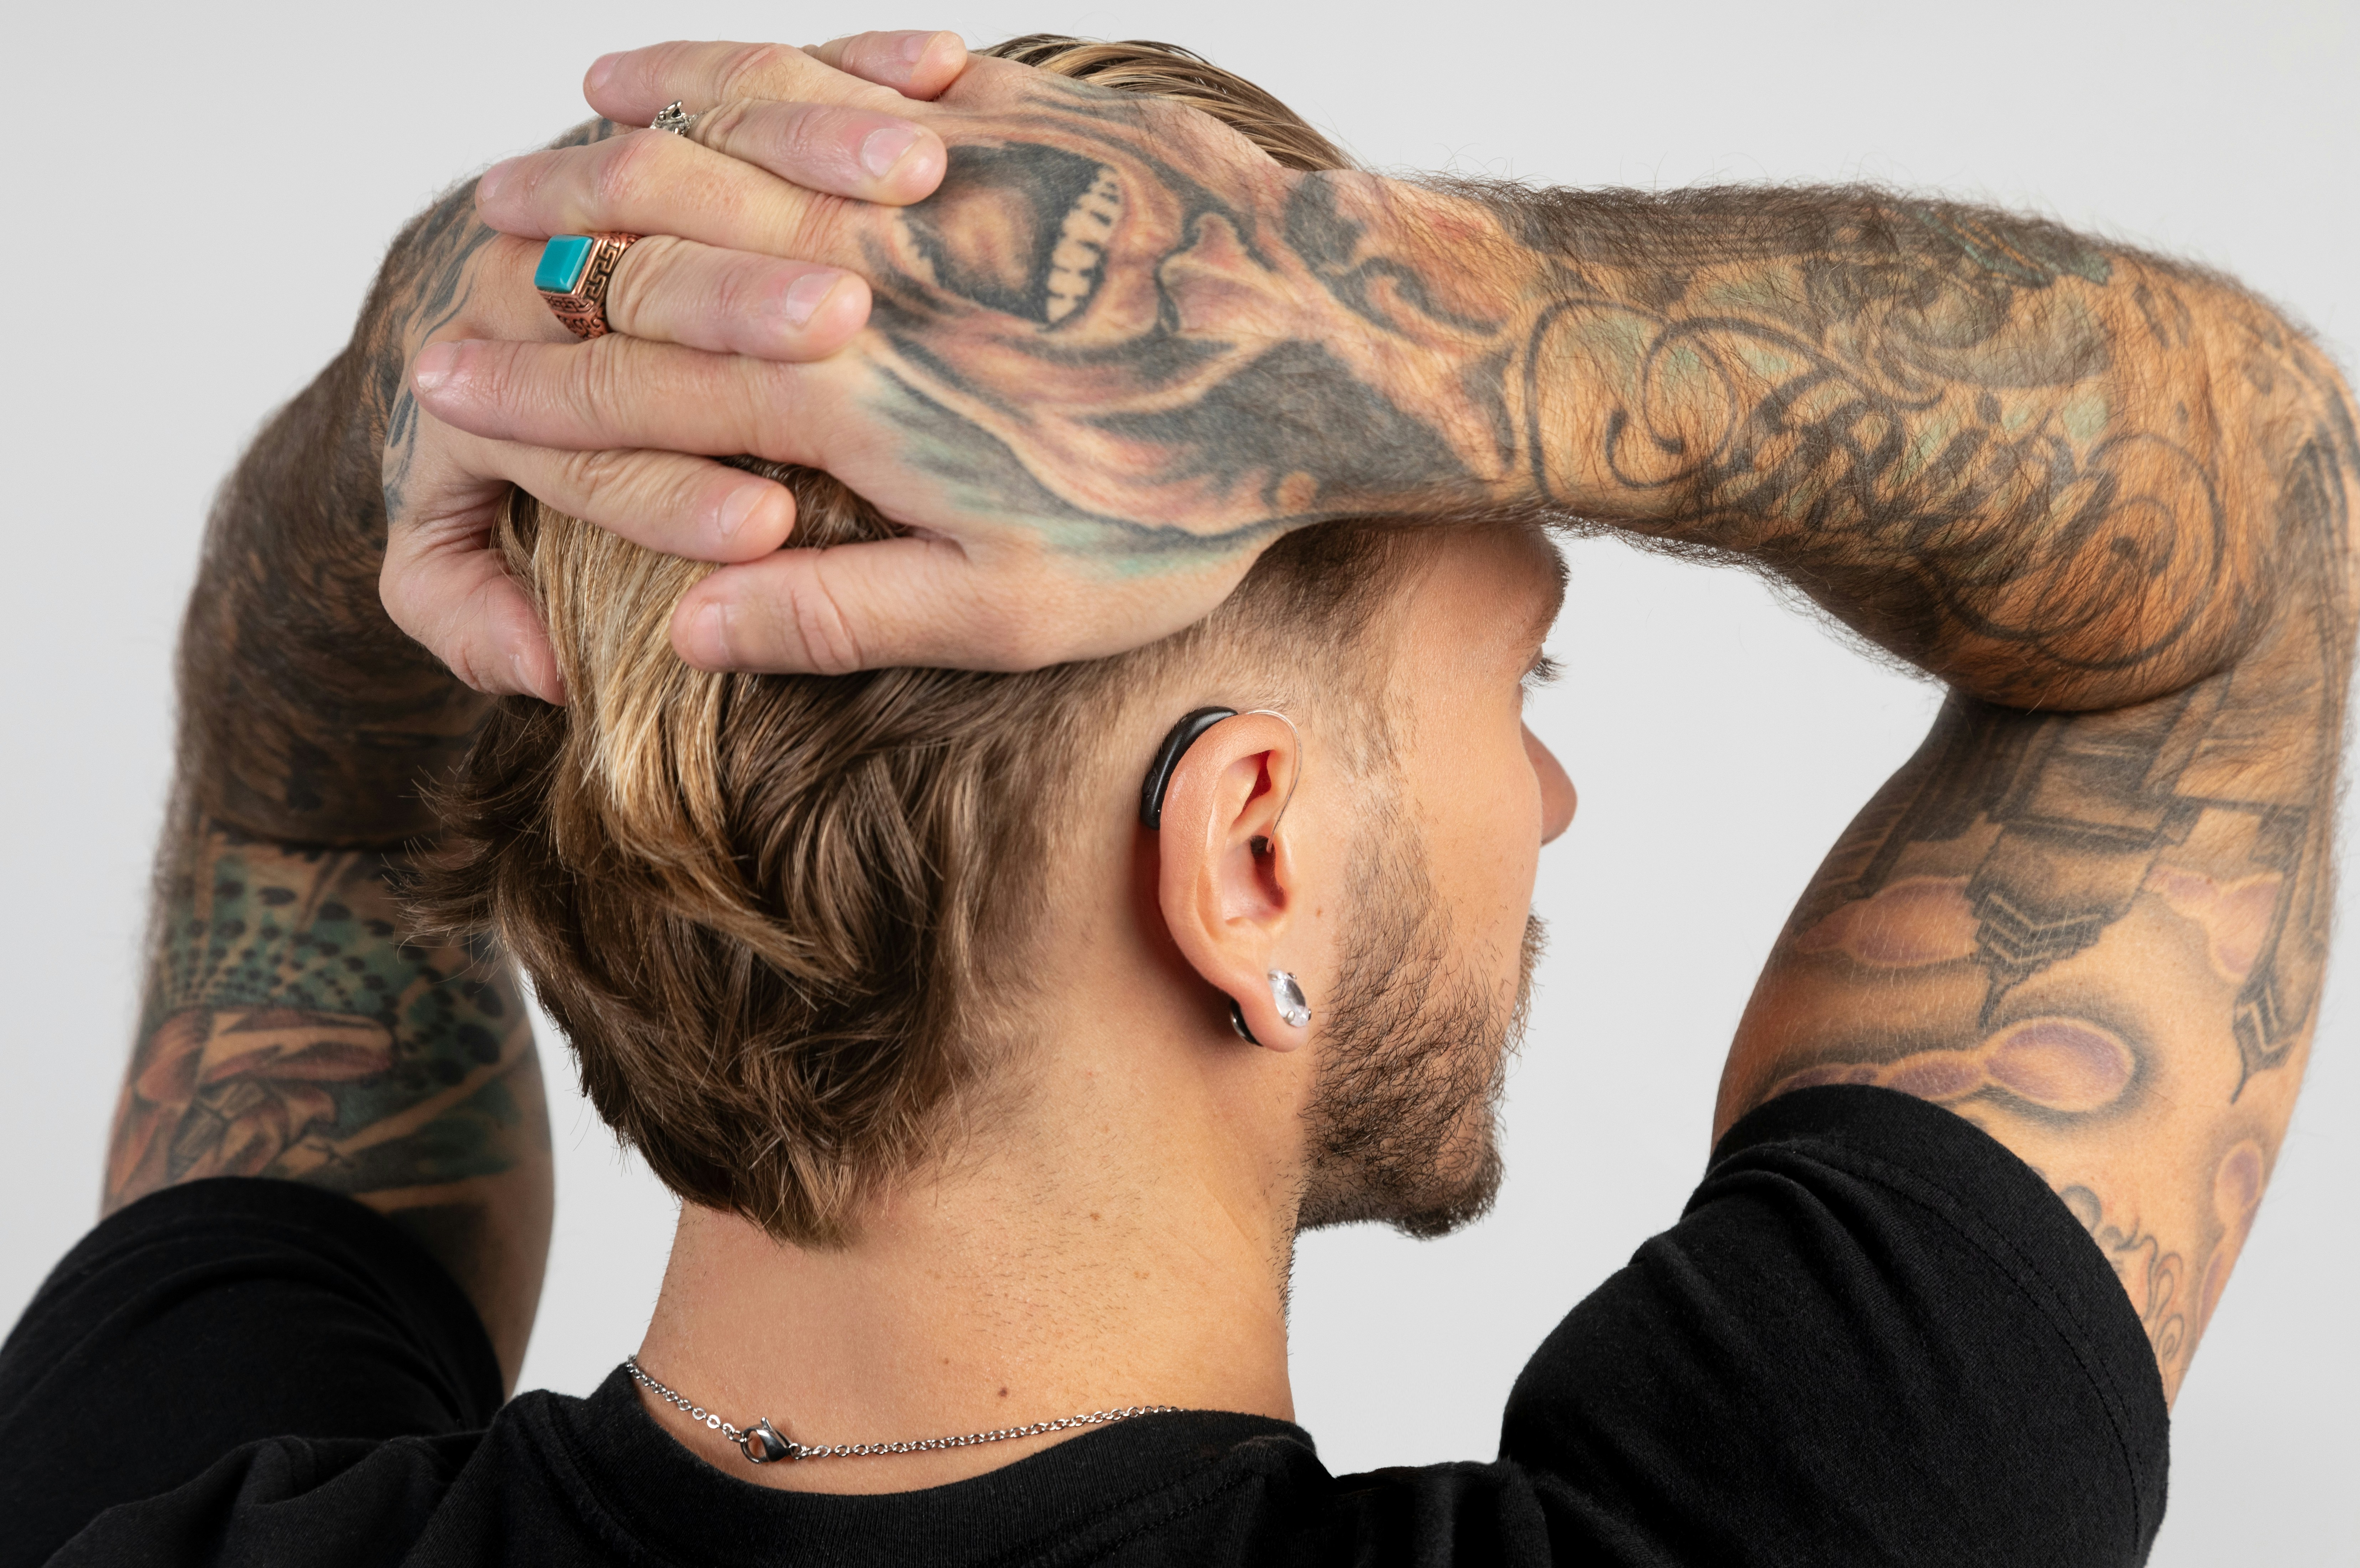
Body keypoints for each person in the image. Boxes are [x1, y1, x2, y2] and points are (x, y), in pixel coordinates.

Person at [1, 27, 2351, 1568]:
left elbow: (307, 809)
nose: (1546, 796)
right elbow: (2249, 560)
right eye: (1515, 679)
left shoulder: (133, 1519)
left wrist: (518, 301)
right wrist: (1385, 319)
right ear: (1250, 859)